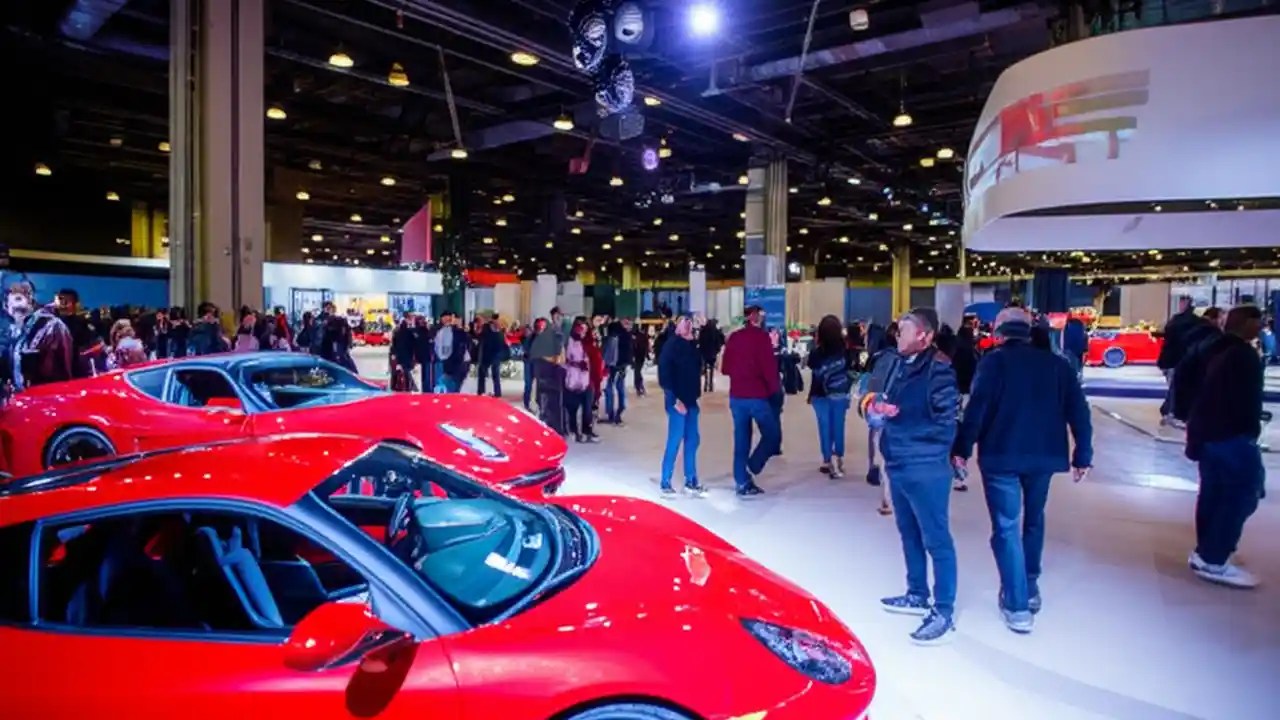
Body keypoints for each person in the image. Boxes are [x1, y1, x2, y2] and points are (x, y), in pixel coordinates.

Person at [952, 307, 1093, 634]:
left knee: (1006, 526)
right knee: (1033, 518)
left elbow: (977, 410)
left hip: (1001, 456)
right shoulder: (1057, 365)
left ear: (999, 332)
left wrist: (962, 448)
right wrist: (1083, 454)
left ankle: (1016, 605)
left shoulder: (994, 363)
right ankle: (1029, 588)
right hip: (1043, 458)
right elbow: (1079, 411)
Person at [861, 308, 960, 645]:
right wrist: (874, 408)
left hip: (927, 466)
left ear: (925, 336)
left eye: (904, 331)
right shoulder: (893, 363)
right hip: (899, 461)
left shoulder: (939, 369)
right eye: (898, 331)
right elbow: (869, 395)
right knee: (908, 532)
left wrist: (903, 419)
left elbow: (948, 420)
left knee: (937, 539)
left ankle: (943, 609)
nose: (898, 336)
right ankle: (916, 592)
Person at [1185, 305, 1265, 588]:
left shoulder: (1211, 348)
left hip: (1208, 433)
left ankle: (1206, 552)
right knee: (1242, 493)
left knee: (1213, 493)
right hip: (1231, 435)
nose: (1262, 327)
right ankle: (1214, 557)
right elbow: (1244, 400)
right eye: (1258, 322)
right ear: (1244, 323)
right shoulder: (1242, 355)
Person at [721, 305, 781, 498]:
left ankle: (742, 480)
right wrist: (775, 393)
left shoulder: (735, 338)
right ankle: (752, 465)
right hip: (757, 396)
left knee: (741, 440)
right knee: (772, 436)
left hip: (737, 396)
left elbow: (725, 368)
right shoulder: (762, 339)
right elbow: (769, 370)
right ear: (758, 319)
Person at [657, 315, 706, 497]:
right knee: (675, 440)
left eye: (689, 323)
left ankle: (691, 480)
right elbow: (664, 374)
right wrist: (674, 399)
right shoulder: (671, 346)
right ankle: (665, 481)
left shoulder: (692, 346)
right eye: (683, 323)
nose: (686, 326)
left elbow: (702, 360)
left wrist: (703, 330)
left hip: (691, 400)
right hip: (677, 400)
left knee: (692, 440)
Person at [4, 279, 74, 391]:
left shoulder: (53, 326)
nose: (14, 304)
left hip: (48, 401)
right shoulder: (14, 332)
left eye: (20, 296)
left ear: (31, 300)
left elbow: (66, 373)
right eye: (10, 298)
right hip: (23, 401)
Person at [807, 315, 854, 478]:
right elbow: (851, 372)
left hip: (819, 395)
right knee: (838, 426)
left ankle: (827, 460)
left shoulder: (816, 353)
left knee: (824, 427)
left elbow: (812, 369)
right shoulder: (845, 352)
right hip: (840, 394)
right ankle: (838, 457)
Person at [1157, 298, 1204, 426]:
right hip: (1179, 359)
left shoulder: (1177, 321)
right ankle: (1172, 412)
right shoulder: (1193, 322)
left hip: (1173, 359)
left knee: (1174, 388)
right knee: (1175, 388)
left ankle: (1171, 412)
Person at [563, 318, 598, 443]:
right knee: (572, 408)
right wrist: (577, 364)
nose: (582, 331)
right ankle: (574, 431)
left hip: (587, 380)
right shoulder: (569, 342)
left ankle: (586, 431)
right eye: (580, 328)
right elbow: (565, 360)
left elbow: (596, 359)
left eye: (584, 329)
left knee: (587, 408)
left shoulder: (590, 342)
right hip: (573, 379)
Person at [603, 319, 633, 425]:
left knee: (609, 388)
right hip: (620, 366)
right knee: (619, 388)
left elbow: (607, 352)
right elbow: (628, 352)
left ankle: (611, 412)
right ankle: (619, 411)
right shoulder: (626, 336)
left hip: (612, 365)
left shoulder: (612, 335)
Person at [433, 311, 470, 393]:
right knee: (452, 386)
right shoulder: (443, 331)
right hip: (452, 362)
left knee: (454, 385)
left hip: (460, 362)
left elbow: (466, 345)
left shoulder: (461, 332)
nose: (450, 320)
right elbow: (439, 347)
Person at [477, 314, 507, 397]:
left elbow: (479, 336)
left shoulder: (488, 328)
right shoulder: (497, 328)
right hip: (492, 354)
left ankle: (482, 392)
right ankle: (495, 393)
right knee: (493, 374)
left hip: (490, 354)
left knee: (488, 374)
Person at [521, 318, 547, 411]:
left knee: (538, 385)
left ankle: (538, 404)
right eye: (538, 327)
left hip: (537, 363)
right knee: (528, 384)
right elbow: (525, 349)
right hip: (529, 362)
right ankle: (526, 403)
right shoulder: (530, 337)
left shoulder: (544, 338)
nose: (540, 329)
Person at [390, 313, 419, 392]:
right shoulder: (410, 333)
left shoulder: (397, 332)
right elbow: (414, 345)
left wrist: (393, 354)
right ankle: (409, 387)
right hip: (407, 356)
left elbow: (394, 345)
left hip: (399, 356)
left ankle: (395, 386)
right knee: (406, 371)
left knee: (397, 372)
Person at [698, 319, 725, 392]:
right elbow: (722, 340)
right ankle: (711, 385)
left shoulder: (703, 330)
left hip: (705, 353)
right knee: (712, 369)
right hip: (713, 353)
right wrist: (717, 349)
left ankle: (706, 384)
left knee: (705, 369)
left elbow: (699, 341)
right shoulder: (716, 331)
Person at [632, 322, 651, 395]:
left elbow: (644, 347)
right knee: (637, 372)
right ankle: (640, 386)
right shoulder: (642, 336)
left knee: (637, 372)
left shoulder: (636, 336)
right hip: (640, 357)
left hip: (638, 357)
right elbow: (646, 347)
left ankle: (639, 387)